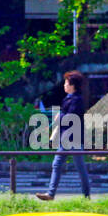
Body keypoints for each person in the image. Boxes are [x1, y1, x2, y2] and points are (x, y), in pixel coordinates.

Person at [36, 70, 92, 201]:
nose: (64, 85)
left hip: (74, 139)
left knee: (80, 168)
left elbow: (70, 118)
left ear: (72, 85)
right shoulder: (68, 99)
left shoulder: (77, 100)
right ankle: (50, 194)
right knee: (57, 164)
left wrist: (59, 116)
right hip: (65, 139)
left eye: (66, 83)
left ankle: (86, 196)